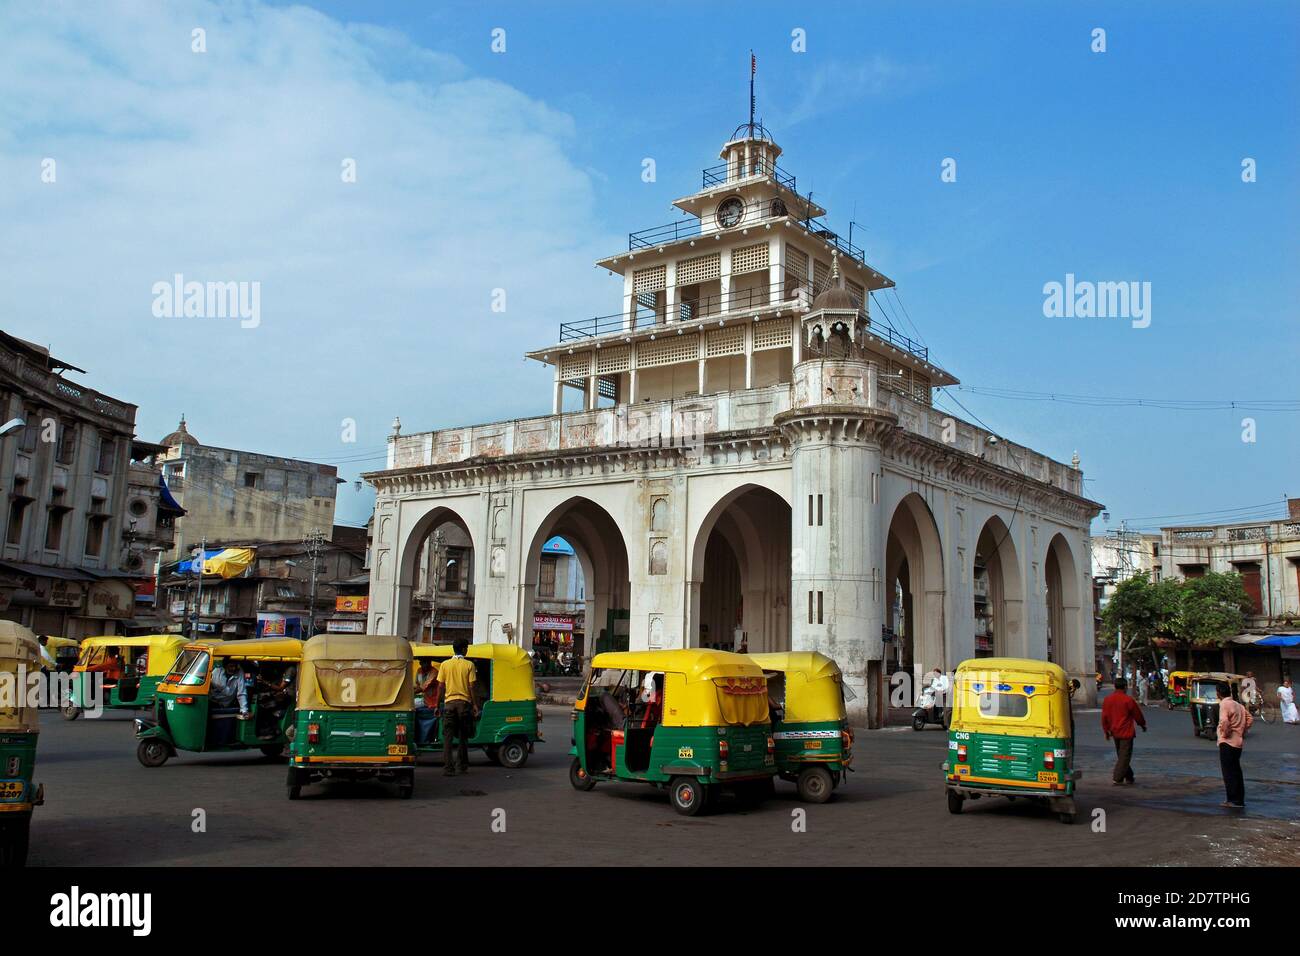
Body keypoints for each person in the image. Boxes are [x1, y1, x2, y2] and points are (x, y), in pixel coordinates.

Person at [436, 640, 481, 776]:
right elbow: (472, 686)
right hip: (464, 705)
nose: (467, 650)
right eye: (466, 648)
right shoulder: (469, 665)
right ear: (463, 649)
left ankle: (448, 768)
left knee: (448, 738)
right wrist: (475, 705)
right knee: (463, 736)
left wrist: (437, 705)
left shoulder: (445, 665)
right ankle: (461, 766)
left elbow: (440, 686)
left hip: (449, 704)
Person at [1101, 677, 1146, 785]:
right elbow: (1137, 715)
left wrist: (1106, 731)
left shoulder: (1108, 700)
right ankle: (1117, 778)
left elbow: (1104, 717)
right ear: (1125, 687)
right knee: (1124, 756)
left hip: (1114, 732)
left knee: (1122, 755)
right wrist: (1142, 724)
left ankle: (1129, 776)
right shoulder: (1128, 700)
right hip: (1126, 732)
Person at [1216, 682, 1252, 808]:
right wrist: (1241, 729)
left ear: (1218, 693)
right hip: (1238, 743)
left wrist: (1225, 733)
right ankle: (1239, 799)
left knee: (1229, 773)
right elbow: (1249, 718)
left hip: (1227, 743)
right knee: (1236, 771)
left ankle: (1232, 800)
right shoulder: (1238, 705)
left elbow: (1224, 721)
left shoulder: (1224, 704)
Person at [414, 658, 440, 746]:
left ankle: (424, 739)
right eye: (422, 663)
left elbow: (424, 687)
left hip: (433, 702)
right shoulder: (419, 671)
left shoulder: (434, 672)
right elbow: (417, 684)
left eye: (425, 663)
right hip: (424, 699)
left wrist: (409, 692)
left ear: (429, 662)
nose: (423, 665)